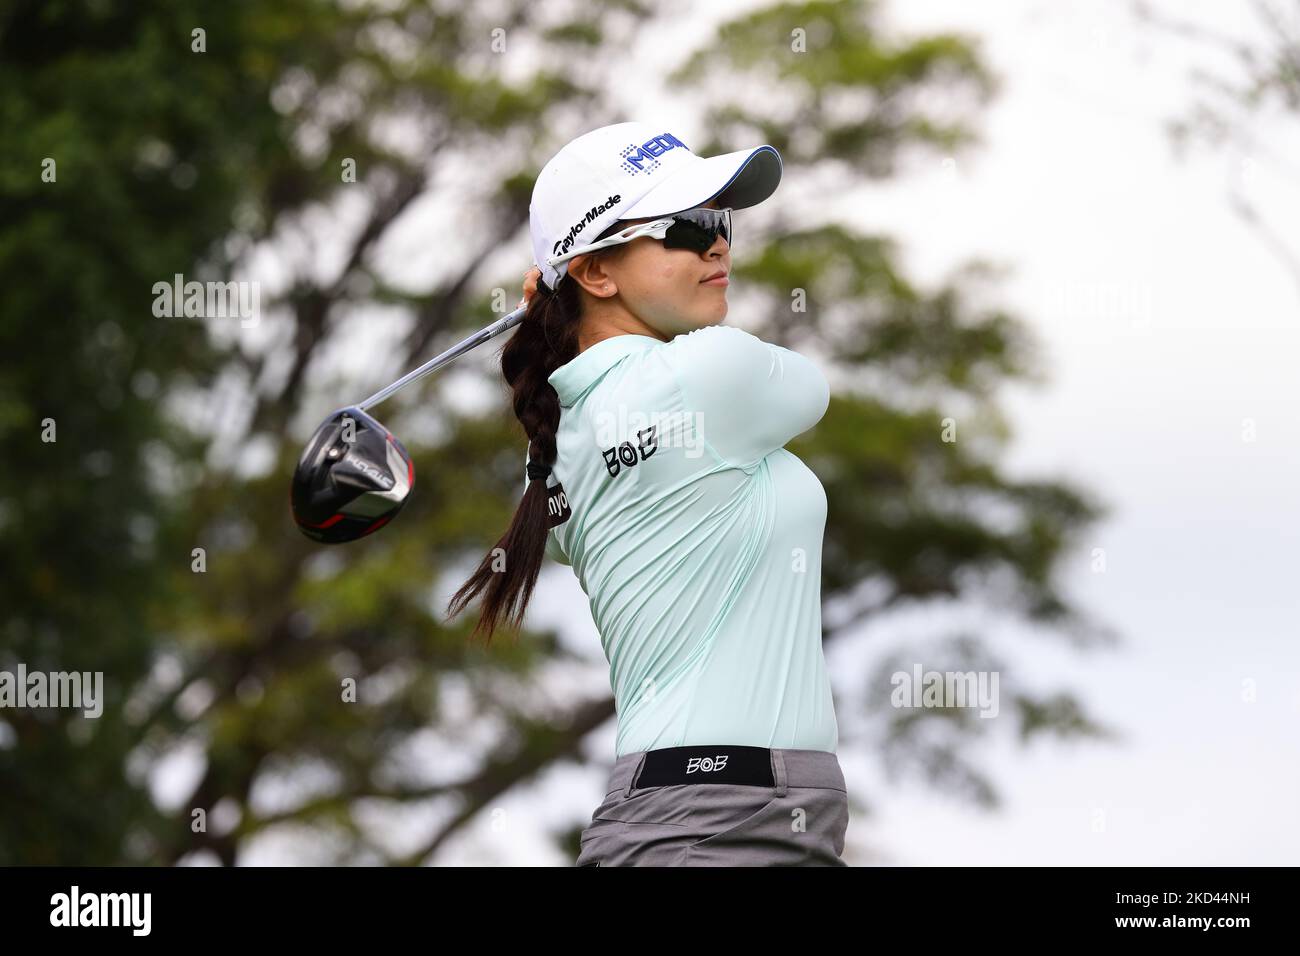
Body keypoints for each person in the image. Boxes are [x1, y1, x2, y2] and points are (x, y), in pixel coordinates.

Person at [445, 122, 848, 866]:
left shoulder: (559, 441)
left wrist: (567, 321)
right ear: (596, 272)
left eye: (720, 224)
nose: (718, 246)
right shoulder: (708, 376)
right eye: (686, 228)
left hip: (705, 812)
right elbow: (811, 389)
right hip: (722, 815)